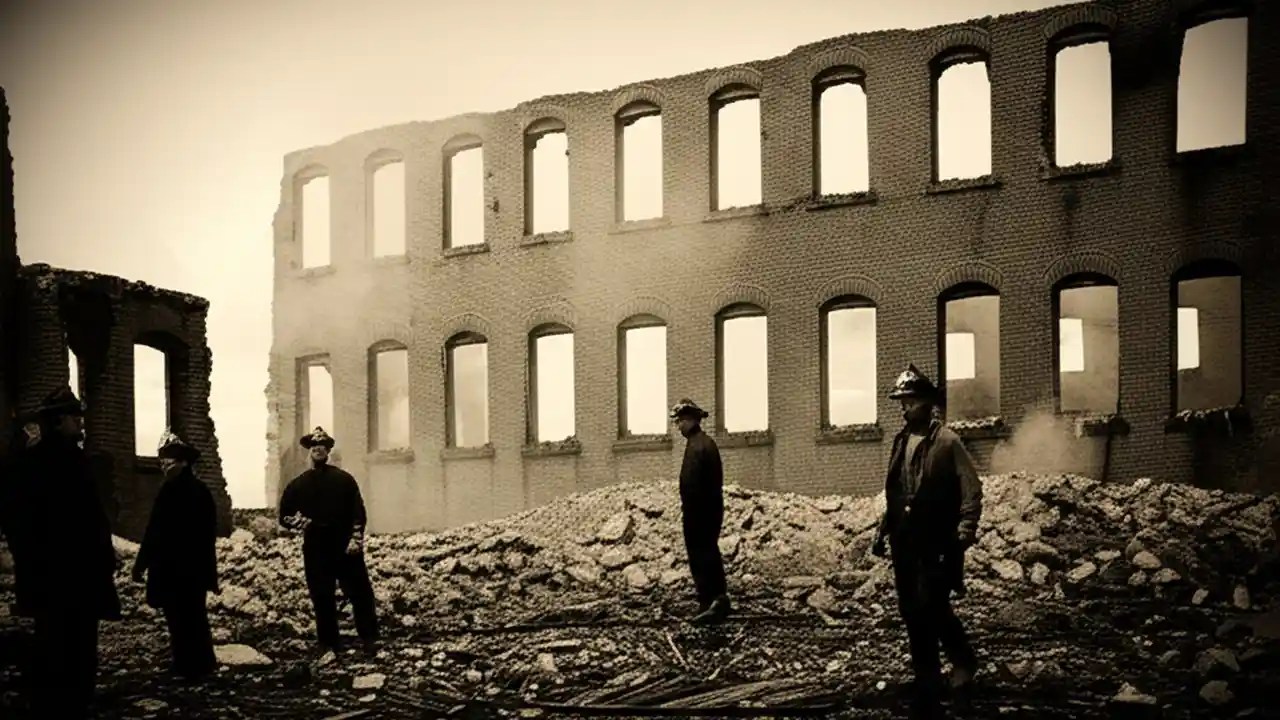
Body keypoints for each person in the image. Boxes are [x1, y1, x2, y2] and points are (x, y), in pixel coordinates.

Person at [870, 364, 982, 718]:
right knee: (911, 612)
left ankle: (964, 663)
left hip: (937, 543)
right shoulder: (901, 441)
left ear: (928, 403)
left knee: (933, 607)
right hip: (906, 542)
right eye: (901, 401)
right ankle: (927, 683)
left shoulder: (947, 441)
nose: (904, 407)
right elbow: (896, 490)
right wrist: (883, 529)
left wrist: (965, 531)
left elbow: (971, 488)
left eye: (911, 401)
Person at [19, 386, 121, 718]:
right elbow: (86, 522)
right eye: (74, 416)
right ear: (59, 421)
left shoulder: (35, 462)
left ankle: (54, 701)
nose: (81, 421)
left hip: (50, 576)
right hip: (74, 575)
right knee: (74, 646)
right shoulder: (69, 462)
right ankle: (69, 704)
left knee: (52, 640)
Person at [278, 426, 379, 653]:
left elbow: (358, 512)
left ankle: (370, 637)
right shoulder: (298, 484)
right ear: (309, 452)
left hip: (344, 544)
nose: (318, 451)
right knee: (321, 594)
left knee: (359, 592)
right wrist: (299, 522)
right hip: (315, 545)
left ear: (328, 452)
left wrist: (355, 539)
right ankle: (328, 642)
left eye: (322, 448)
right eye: (314, 448)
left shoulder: (344, 480)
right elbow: (284, 514)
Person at [131, 428, 220, 681]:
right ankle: (191, 663)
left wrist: (142, 564)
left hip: (183, 568)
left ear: (183, 463)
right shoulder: (174, 491)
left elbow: (203, 536)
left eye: (169, 462)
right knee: (183, 617)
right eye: (162, 463)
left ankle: (195, 666)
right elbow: (154, 532)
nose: (164, 467)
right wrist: (142, 564)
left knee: (188, 617)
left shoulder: (191, 492)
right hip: (179, 568)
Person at [671, 399, 731, 625]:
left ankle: (712, 602)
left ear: (690, 420)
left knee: (702, 554)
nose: (678, 427)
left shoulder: (699, 446)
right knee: (706, 552)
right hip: (705, 510)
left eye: (679, 422)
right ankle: (714, 600)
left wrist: (693, 510)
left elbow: (698, 484)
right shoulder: (702, 443)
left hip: (700, 512)